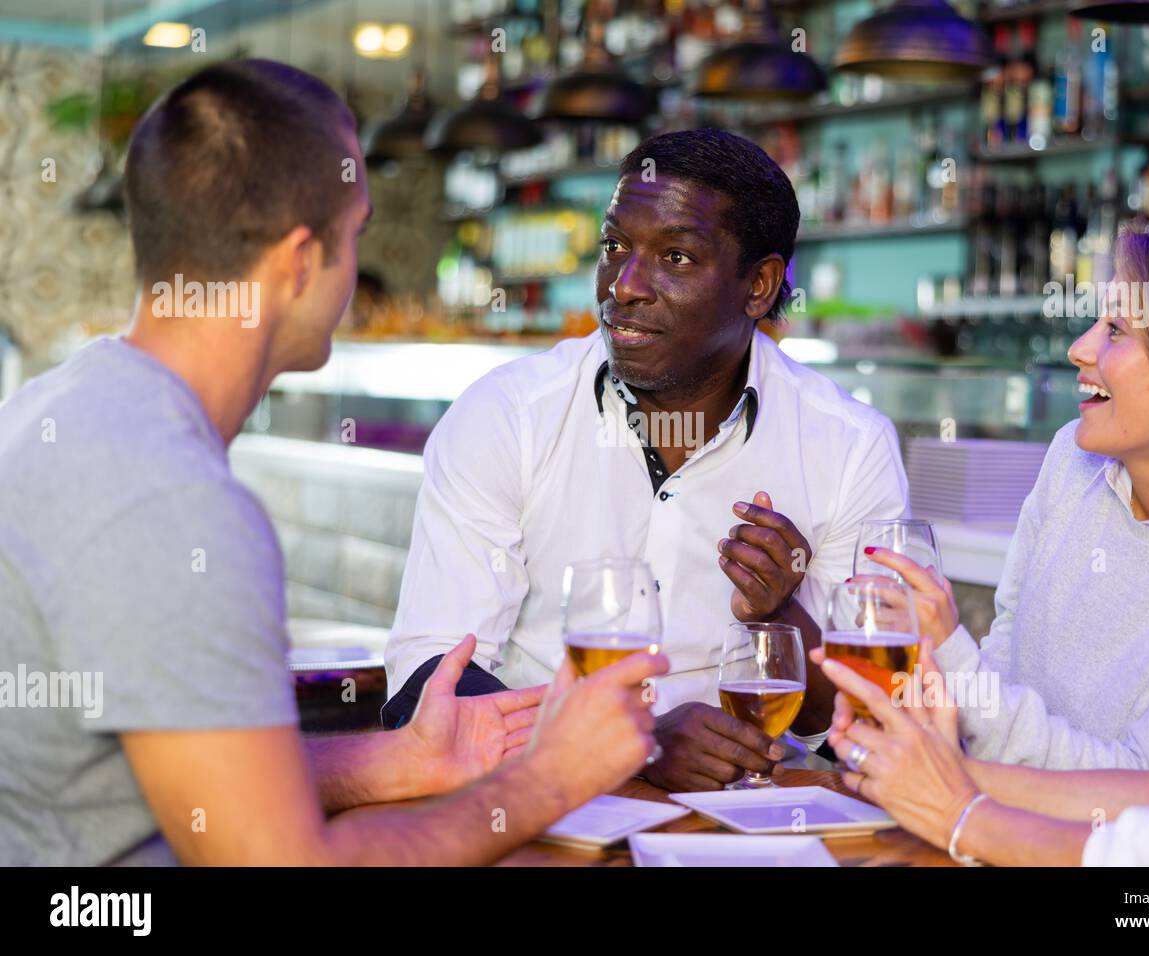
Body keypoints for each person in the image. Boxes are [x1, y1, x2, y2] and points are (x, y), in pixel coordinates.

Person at [0, 59, 666, 866]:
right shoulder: (172, 506)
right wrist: (548, 780)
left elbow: (176, 782)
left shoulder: (59, 405)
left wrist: (401, 760)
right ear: (298, 262)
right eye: (356, 234)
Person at [383, 128, 909, 791]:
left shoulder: (848, 445)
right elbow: (431, 675)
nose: (624, 285)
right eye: (615, 248)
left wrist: (782, 617)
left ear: (760, 286)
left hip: (755, 825)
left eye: (676, 257)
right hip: (535, 811)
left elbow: (866, 724)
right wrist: (630, 750)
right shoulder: (508, 416)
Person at [817, 226, 1149, 865]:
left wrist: (960, 801)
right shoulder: (1070, 465)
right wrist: (928, 764)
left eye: (1118, 331)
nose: (1079, 349)